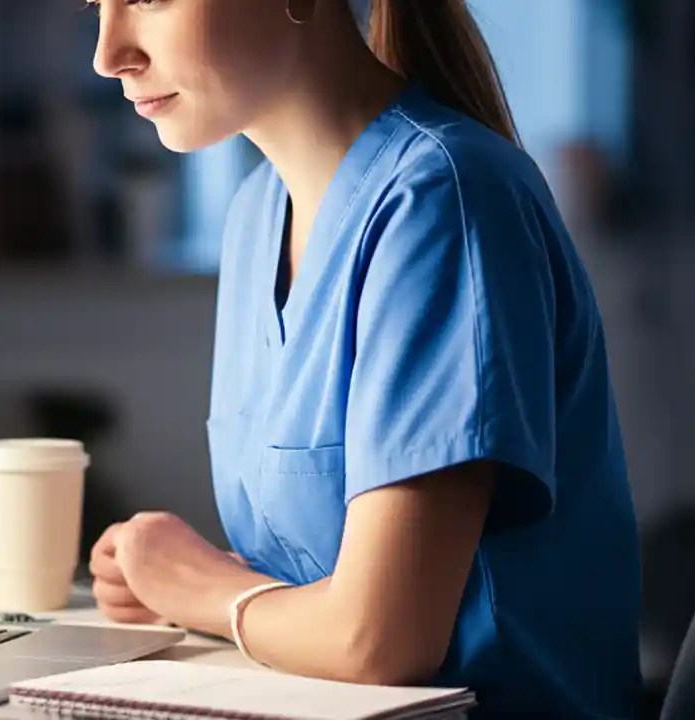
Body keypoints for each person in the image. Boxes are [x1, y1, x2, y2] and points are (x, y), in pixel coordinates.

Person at [84, 1, 643, 717]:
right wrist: (189, 581)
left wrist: (204, 590)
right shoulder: (257, 213)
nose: (109, 54)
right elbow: (316, 582)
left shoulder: (445, 196)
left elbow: (381, 640)